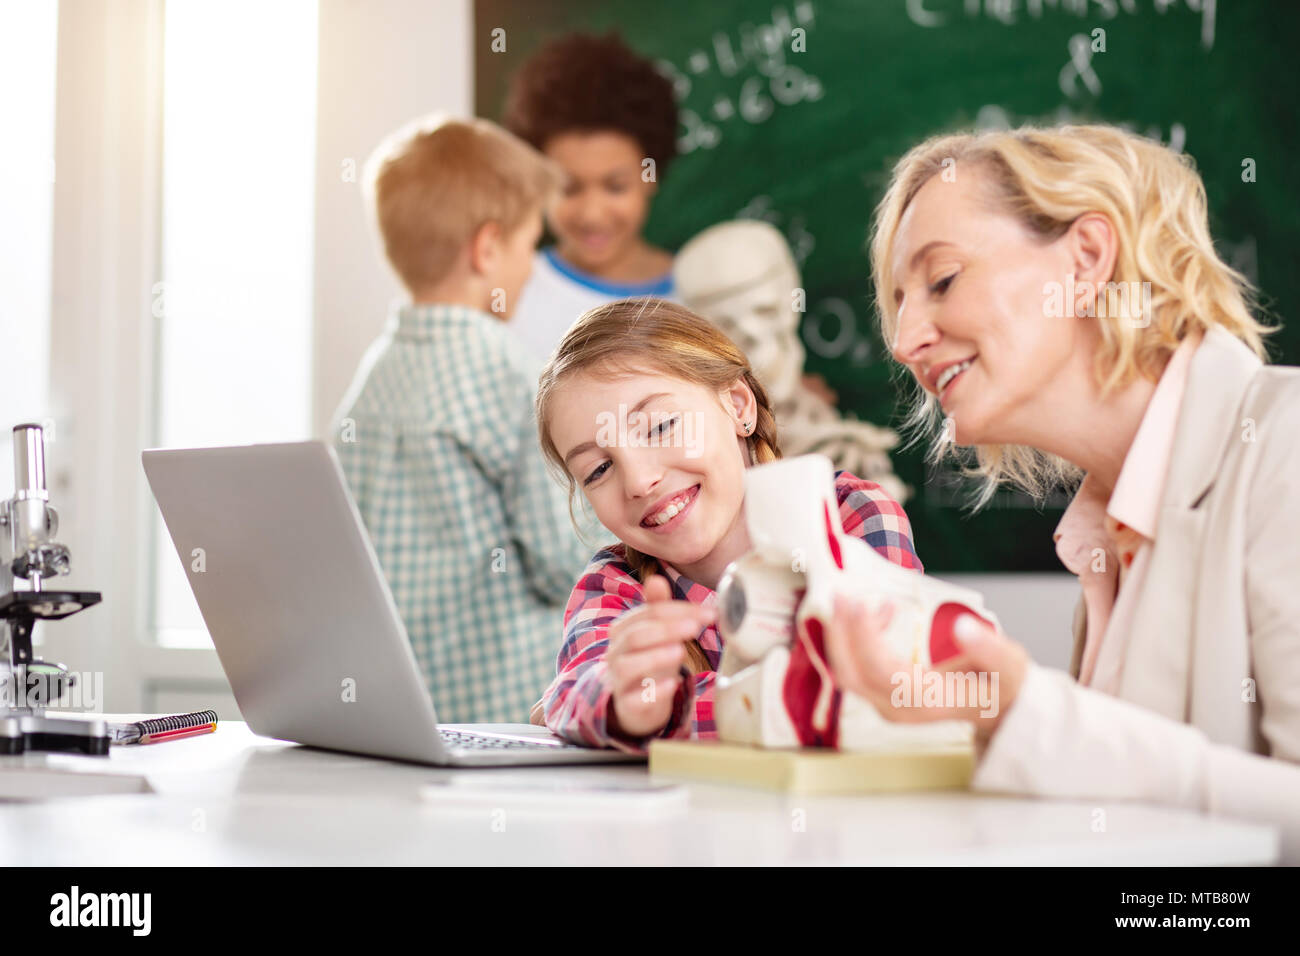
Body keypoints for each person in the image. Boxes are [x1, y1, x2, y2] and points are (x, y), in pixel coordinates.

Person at [827, 123, 1300, 861]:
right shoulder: (1108, 538)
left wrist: (1032, 714)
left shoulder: (1285, 446)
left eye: (943, 279)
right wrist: (983, 719)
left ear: (1085, 260)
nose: (905, 338)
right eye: (899, 303)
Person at [531, 298, 922, 752]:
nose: (639, 481)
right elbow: (578, 692)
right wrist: (621, 706)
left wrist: (670, 714)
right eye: (598, 470)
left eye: (660, 427)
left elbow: (872, 694)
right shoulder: (614, 584)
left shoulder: (850, 516)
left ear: (739, 406)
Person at [332, 115, 599, 723]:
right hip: (503, 714)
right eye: (529, 248)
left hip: (395, 711)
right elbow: (565, 555)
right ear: (486, 248)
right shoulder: (514, 375)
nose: (531, 270)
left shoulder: (372, 381)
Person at [501, 32, 680, 363]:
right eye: (568, 188)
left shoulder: (705, 294)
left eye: (615, 186)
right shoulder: (510, 295)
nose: (592, 215)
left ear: (650, 175)